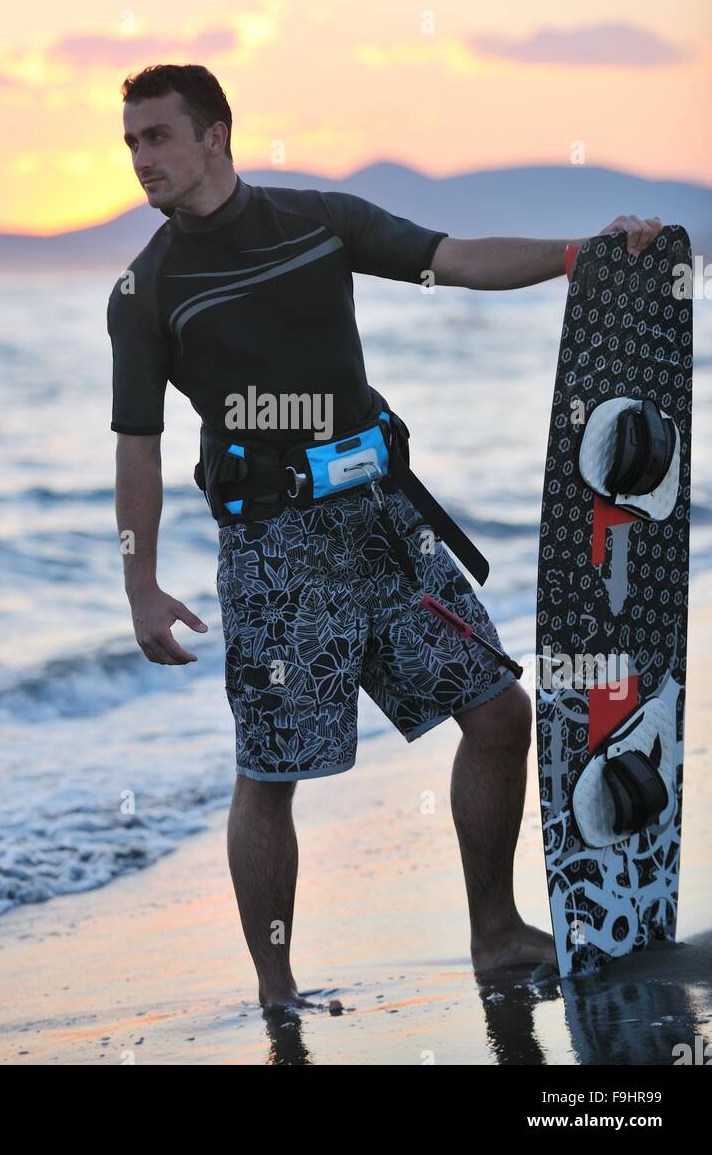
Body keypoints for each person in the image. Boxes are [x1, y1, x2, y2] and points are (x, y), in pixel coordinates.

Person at [107, 61, 664, 1011]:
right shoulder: (147, 288)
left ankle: (495, 934)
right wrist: (141, 585)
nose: (140, 160)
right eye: (129, 143)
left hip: (382, 524)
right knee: (272, 773)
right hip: (274, 551)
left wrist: (581, 256)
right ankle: (277, 990)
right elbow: (138, 445)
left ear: (215, 134)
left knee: (498, 713)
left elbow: (453, 258)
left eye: (156, 136)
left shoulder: (317, 220)